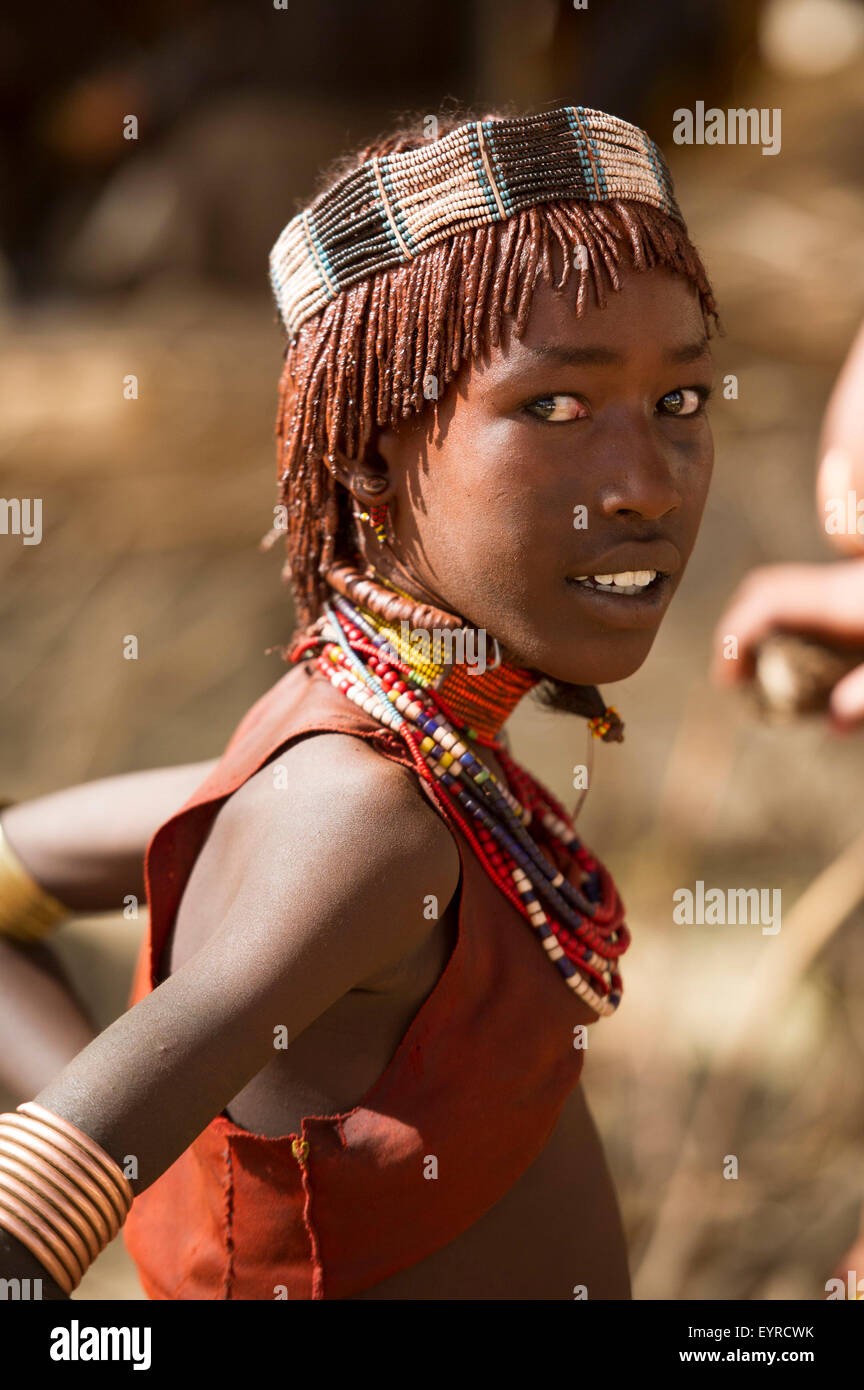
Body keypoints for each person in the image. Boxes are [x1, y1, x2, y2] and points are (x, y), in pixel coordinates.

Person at [0, 103, 719, 1300]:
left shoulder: (371, 769)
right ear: (370, 456)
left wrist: (178, 1172)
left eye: (682, 402)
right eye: (554, 407)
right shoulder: (356, 822)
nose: (644, 485)